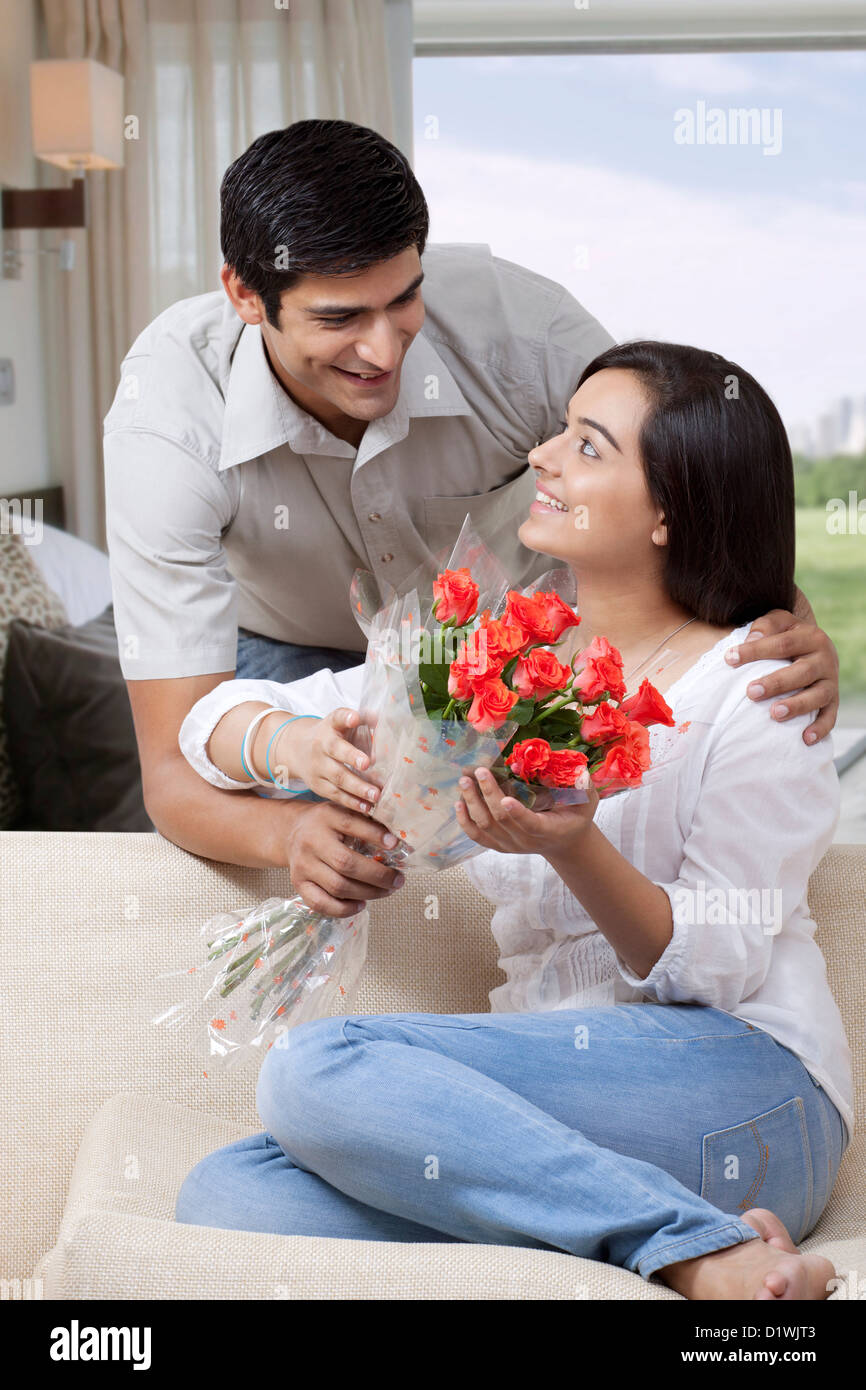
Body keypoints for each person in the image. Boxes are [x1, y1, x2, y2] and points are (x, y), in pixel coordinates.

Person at [172, 341, 852, 1300]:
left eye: (587, 445)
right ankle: (636, 1233)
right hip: (569, 1121)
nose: (543, 456)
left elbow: (721, 967)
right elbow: (204, 727)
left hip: (747, 1094)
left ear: (670, 510)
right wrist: (297, 748)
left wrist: (574, 846)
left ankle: (696, 1251)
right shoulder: (491, 661)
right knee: (229, 1195)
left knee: (313, 1066)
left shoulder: (758, 687)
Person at [104, 119, 839, 892]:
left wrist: (782, 626)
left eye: (403, 300)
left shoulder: (521, 330)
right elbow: (172, 773)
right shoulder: (170, 420)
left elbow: (676, 476)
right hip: (286, 645)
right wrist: (293, 833)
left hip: (505, 648)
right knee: (254, 800)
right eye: (339, 318)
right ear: (246, 296)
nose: (384, 352)